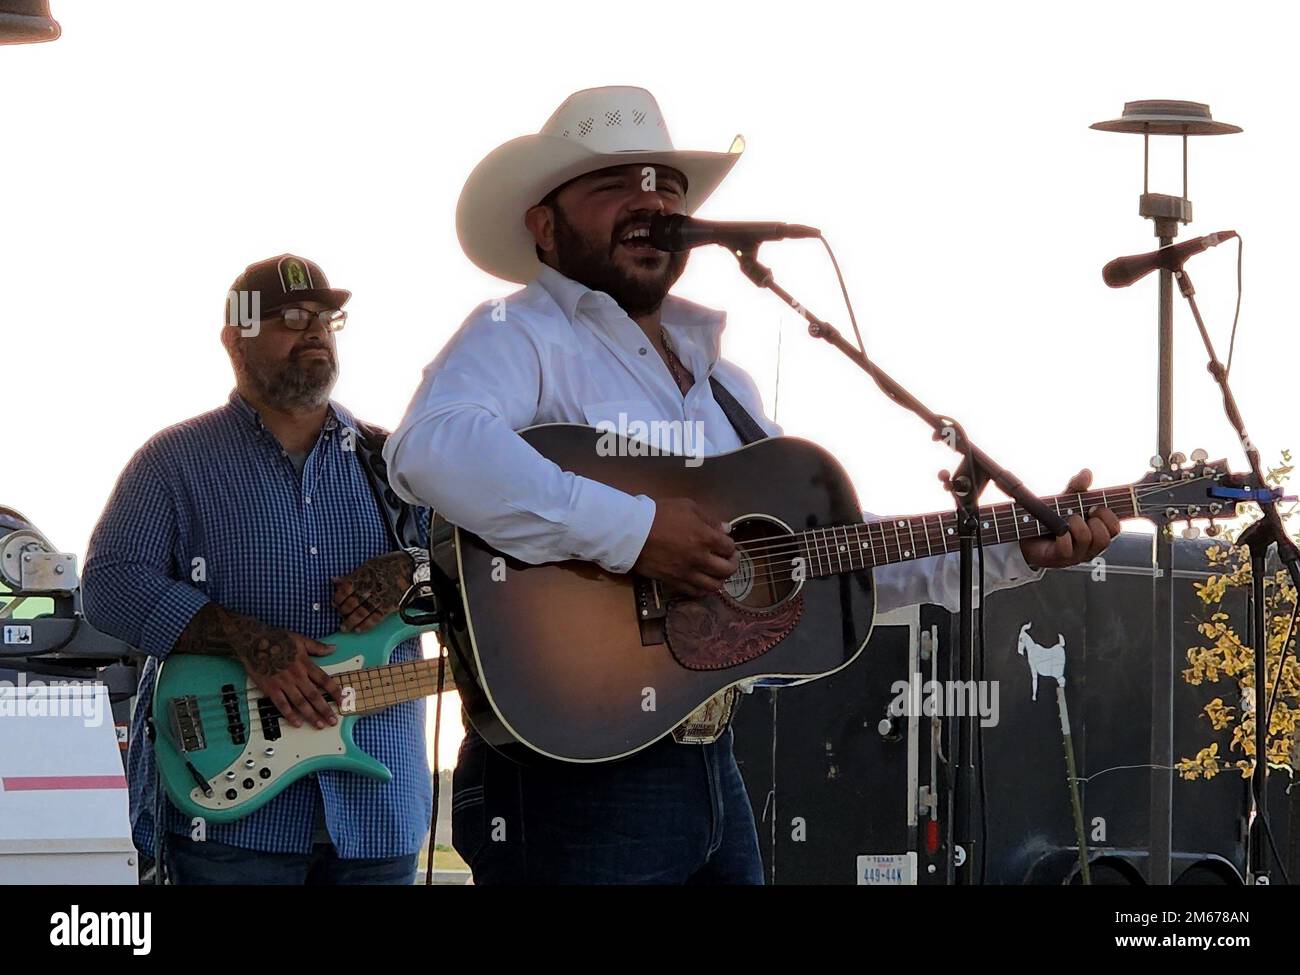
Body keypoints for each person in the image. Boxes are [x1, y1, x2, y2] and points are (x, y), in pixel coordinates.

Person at [384, 86, 1121, 884]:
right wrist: (632, 532)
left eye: (666, 184)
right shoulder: (519, 332)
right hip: (574, 772)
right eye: (614, 184)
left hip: (711, 763)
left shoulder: (719, 379)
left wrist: (1016, 548)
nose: (651, 200)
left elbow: (823, 551)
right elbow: (431, 448)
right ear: (544, 223)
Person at [83, 254, 433, 884]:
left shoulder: (399, 464)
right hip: (229, 822)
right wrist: (246, 638)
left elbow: (480, 582)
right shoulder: (173, 460)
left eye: (327, 318)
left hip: (380, 815)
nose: (316, 331)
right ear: (234, 338)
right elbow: (109, 585)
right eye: (291, 318)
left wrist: (414, 568)